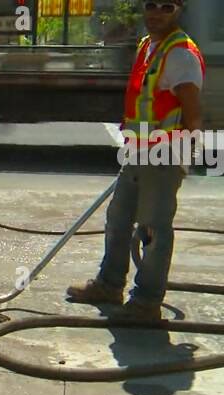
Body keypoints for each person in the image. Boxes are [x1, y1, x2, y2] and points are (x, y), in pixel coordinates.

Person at [66, 0, 204, 321]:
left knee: (154, 230)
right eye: (151, 4)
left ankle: (146, 302)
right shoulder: (148, 46)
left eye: (166, 6)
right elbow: (147, 101)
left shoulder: (180, 54)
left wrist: (184, 156)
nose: (156, 12)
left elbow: (194, 114)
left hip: (164, 156)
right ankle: (110, 284)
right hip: (139, 152)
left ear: (179, 10)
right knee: (118, 219)